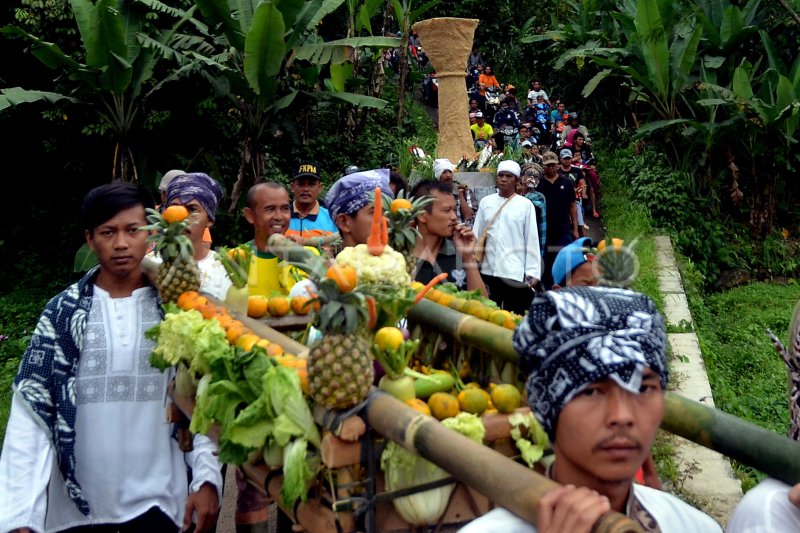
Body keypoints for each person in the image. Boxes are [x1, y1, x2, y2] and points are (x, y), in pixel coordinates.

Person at [0, 183, 222, 533]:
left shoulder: (178, 311)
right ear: (90, 239)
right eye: (108, 232)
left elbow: (203, 399)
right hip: (77, 512)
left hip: (162, 506)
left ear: (149, 233)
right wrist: (18, 516)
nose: (121, 243)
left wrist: (207, 479)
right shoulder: (61, 315)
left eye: (132, 230)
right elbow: (32, 414)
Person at [460, 286, 722, 533]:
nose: (622, 417)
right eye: (592, 391)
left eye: (643, 389)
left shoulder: (692, 526)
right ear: (546, 403)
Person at [472, 160, 541, 314]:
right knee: (488, 315)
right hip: (488, 271)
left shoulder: (525, 205)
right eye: (501, 175)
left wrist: (532, 272)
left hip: (513, 272)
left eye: (508, 176)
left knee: (513, 317)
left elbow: (532, 240)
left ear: (516, 180)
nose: (503, 179)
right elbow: (477, 235)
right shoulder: (486, 202)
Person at [158, 172, 232, 300]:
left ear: (209, 220)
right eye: (174, 208)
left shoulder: (225, 269)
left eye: (192, 210)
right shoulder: (147, 264)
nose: (181, 218)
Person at [411, 180, 487, 296]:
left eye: (454, 210)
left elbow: (483, 305)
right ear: (422, 215)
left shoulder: (459, 254)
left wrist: (468, 258)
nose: (454, 217)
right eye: (447, 210)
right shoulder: (399, 258)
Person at [536, 151, 578, 290]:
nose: (550, 168)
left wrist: (576, 229)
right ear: (543, 167)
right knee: (546, 259)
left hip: (563, 228)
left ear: (557, 165)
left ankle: (565, 286)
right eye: (547, 166)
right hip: (544, 230)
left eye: (553, 165)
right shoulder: (538, 184)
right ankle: (547, 288)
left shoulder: (566, 182)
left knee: (565, 257)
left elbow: (572, 205)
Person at [243, 181, 292, 296]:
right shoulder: (238, 258)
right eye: (270, 209)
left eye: (285, 208)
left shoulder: (304, 257)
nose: (279, 217)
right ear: (250, 215)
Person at [325, 168, 394, 248]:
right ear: (344, 222)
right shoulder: (319, 260)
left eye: (388, 212)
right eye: (375, 212)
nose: (387, 220)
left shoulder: (401, 259)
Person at [286, 161, 337, 243]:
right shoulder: (281, 217)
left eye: (311, 184)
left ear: (320, 188)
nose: (306, 189)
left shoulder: (332, 218)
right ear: (292, 187)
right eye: (301, 184)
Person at [433, 158, 477, 226]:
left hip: (463, 231)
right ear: (438, 176)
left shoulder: (465, 191)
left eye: (450, 172)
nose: (448, 175)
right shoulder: (433, 194)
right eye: (444, 172)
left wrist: (461, 194)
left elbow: (469, 216)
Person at [557, 147, 589, 236]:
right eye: (564, 158)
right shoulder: (557, 172)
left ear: (571, 158)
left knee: (580, 223)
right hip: (561, 201)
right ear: (561, 159)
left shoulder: (577, 170)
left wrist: (583, 192)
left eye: (568, 158)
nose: (567, 160)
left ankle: (584, 242)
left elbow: (583, 183)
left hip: (575, 199)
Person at [520, 164, 546, 259]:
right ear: (522, 177)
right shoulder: (513, 195)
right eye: (529, 174)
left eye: (535, 176)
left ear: (538, 181)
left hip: (532, 235)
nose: (532, 178)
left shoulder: (539, 197)